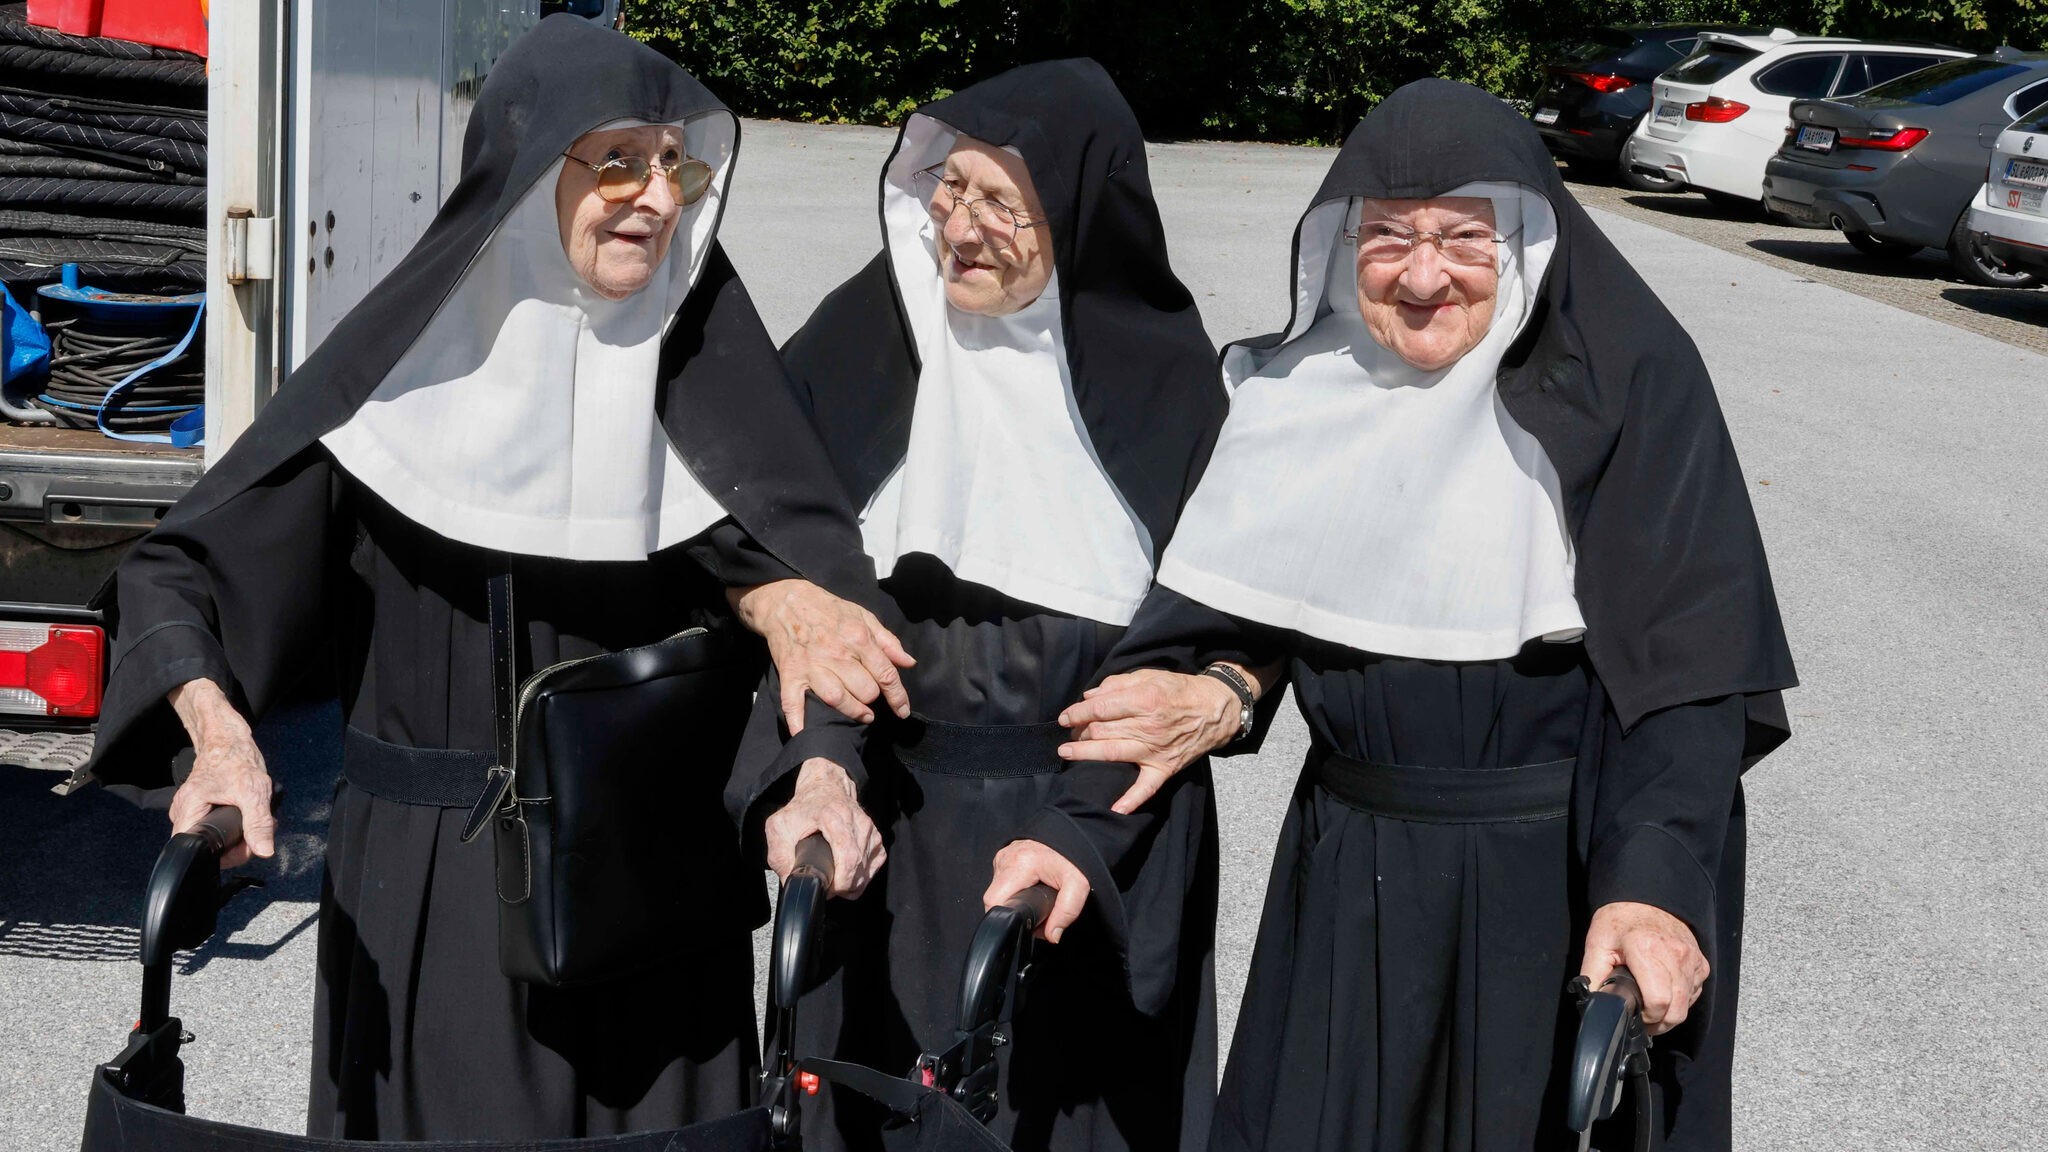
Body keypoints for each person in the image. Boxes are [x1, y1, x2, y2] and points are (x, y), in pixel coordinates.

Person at [83, 16, 908, 1142]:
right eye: (615, 159)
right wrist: (220, 737)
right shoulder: (399, 379)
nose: (656, 198)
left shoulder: (705, 356)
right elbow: (181, 572)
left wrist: (818, 771)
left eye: (675, 164)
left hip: (655, 901)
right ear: (526, 171)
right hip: (433, 906)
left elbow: (823, 610)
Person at [988, 78, 1798, 1151]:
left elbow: (1687, 677)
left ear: (1523, 240)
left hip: (1556, 888)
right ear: (1339, 246)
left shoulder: (1628, 387)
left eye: (1463, 237)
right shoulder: (1299, 398)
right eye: (1386, 239)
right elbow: (1193, 645)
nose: (1422, 277)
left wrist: (1650, 883)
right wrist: (1072, 828)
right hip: (1348, 888)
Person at [727, 59, 1228, 1152]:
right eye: (950, 188)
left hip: (1092, 845)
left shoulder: (1168, 387)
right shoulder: (868, 339)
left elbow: (1208, 644)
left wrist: (1082, 826)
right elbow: (776, 560)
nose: (963, 223)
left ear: (1078, 217)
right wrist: (815, 763)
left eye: (1005, 201)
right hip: (887, 837)